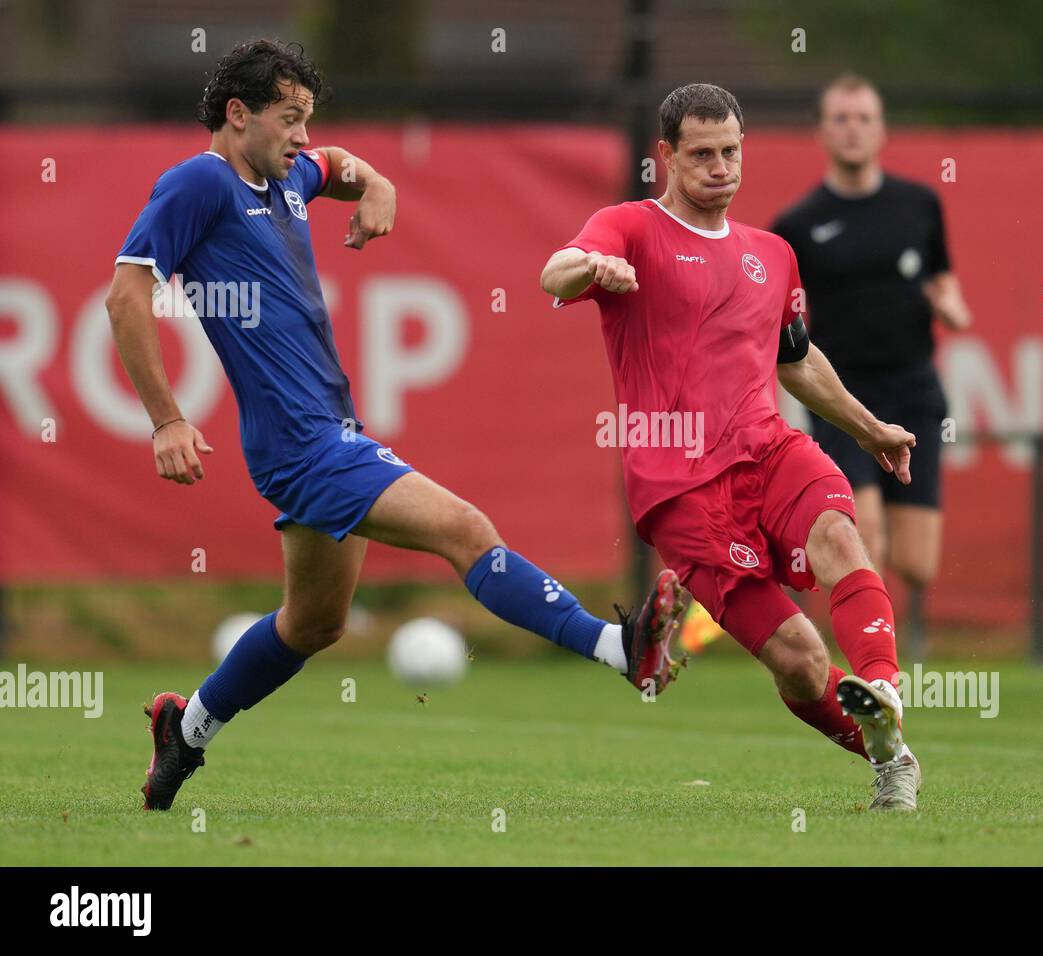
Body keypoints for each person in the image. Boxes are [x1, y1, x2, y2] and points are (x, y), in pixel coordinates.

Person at [107, 39, 685, 812]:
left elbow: (334, 163)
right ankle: (620, 650)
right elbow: (124, 296)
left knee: (313, 624)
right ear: (237, 115)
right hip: (303, 443)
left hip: (322, 430)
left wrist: (376, 183)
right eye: (290, 119)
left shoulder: (282, 180)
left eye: (308, 118)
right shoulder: (199, 184)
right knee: (466, 530)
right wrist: (167, 420)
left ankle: (188, 730)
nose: (303, 136)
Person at [541, 83, 922, 810]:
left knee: (841, 534)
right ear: (667, 157)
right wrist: (593, 268)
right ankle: (889, 754)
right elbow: (553, 271)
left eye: (731, 152)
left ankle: (884, 688)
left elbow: (797, 359)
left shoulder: (772, 254)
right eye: (703, 154)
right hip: (679, 488)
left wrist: (869, 429)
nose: (721, 167)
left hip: (770, 448)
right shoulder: (629, 227)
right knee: (802, 663)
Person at [772, 75, 972, 654]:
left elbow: (942, 276)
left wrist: (951, 304)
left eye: (863, 117)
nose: (852, 128)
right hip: (841, 395)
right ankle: (874, 664)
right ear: (821, 131)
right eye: (840, 118)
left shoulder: (919, 204)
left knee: (917, 561)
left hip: (914, 390)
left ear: (881, 129)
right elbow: (779, 315)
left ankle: (873, 642)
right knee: (867, 528)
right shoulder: (798, 224)